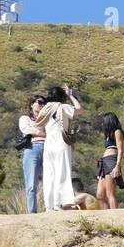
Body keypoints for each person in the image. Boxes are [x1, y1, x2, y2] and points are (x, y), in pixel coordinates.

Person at [34, 84, 81, 212]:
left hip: (49, 144)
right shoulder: (63, 107)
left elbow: (38, 125)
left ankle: (49, 206)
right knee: (62, 172)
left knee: (49, 175)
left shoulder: (45, 109)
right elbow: (79, 109)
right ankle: (59, 204)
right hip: (61, 142)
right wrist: (70, 95)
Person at [17, 95, 47, 214]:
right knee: (31, 184)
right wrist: (42, 133)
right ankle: (32, 212)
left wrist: (38, 133)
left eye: (44, 103)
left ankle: (51, 208)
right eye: (39, 102)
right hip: (32, 149)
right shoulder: (25, 118)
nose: (42, 105)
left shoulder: (47, 119)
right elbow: (26, 129)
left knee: (50, 180)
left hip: (48, 149)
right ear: (31, 104)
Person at [96, 113, 124, 210]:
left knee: (110, 192)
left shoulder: (117, 132)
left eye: (104, 121)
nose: (102, 124)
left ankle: (115, 217)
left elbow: (120, 150)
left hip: (112, 161)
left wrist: (118, 166)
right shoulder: (108, 135)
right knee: (100, 195)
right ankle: (105, 217)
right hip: (104, 162)